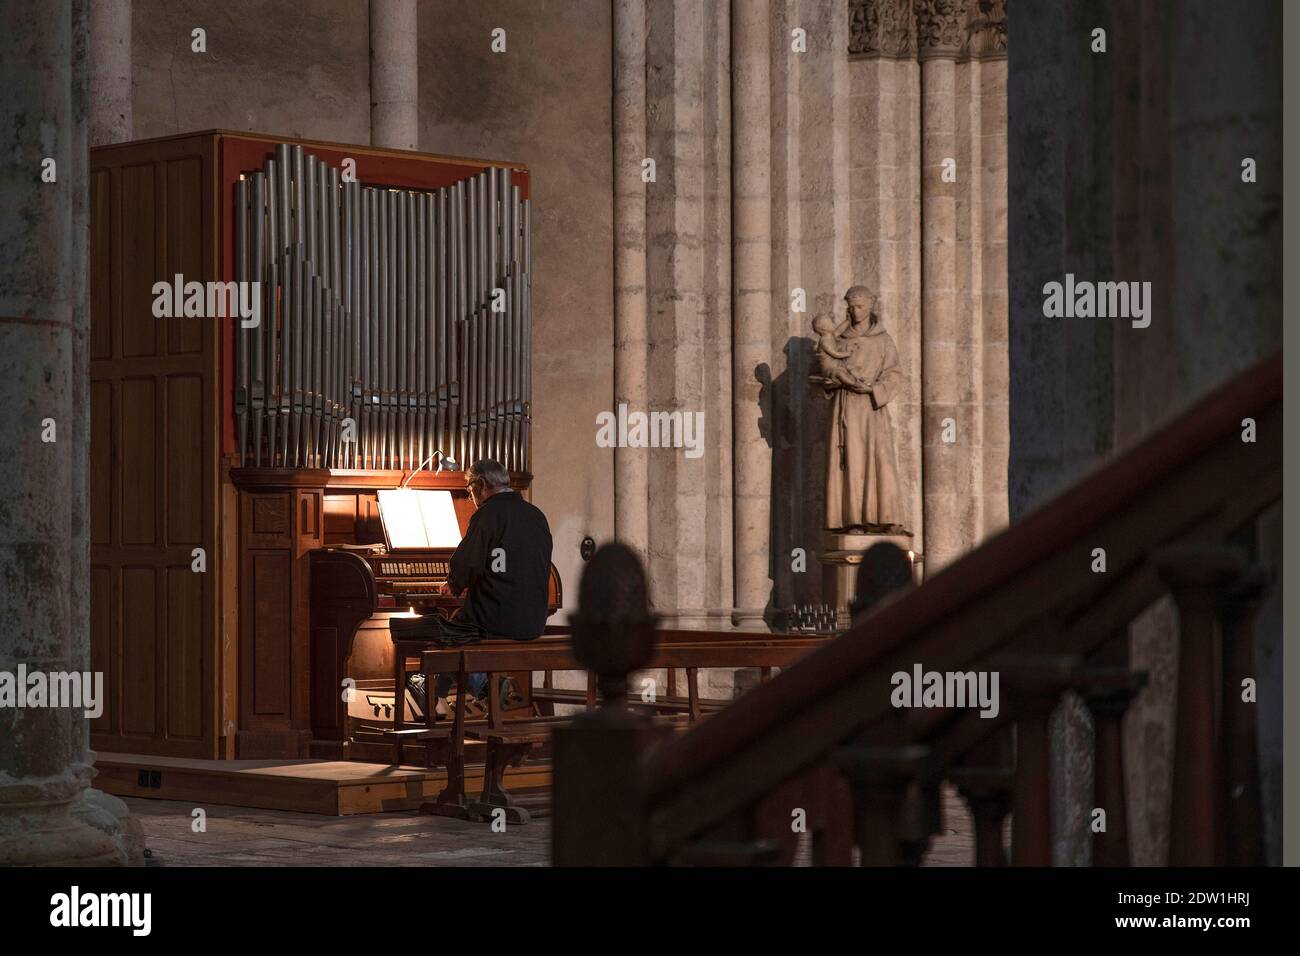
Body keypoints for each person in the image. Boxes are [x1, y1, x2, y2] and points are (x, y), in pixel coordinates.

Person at [427, 459, 553, 714]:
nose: (470, 495)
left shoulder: (487, 514)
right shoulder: (535, 515)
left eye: (469, 489)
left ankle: (477, 689)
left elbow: (467, 561)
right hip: (533, 619)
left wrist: (453, 584)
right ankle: (439, 699)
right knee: (457, 625)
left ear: (482, 485)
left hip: (497, 618)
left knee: (447, 631)